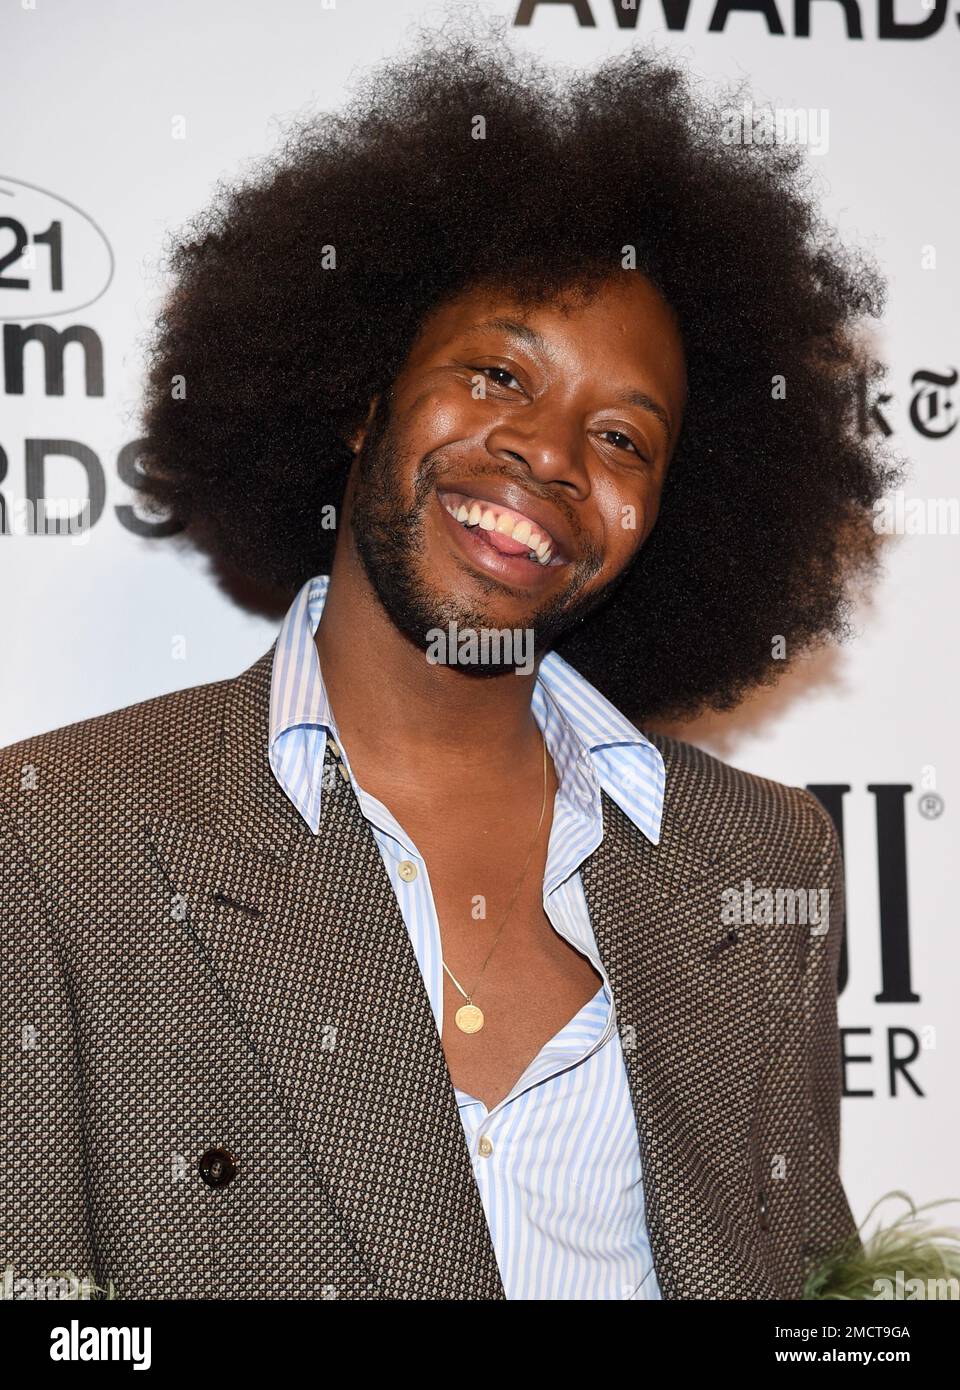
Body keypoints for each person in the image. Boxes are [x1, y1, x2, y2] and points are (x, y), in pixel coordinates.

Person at [0, 21, 898, 1300]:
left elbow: (816, 1299)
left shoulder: (763, 863)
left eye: (625, 439)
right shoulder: (59, 835)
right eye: (495, 372)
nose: (548, 454)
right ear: (365, 393)